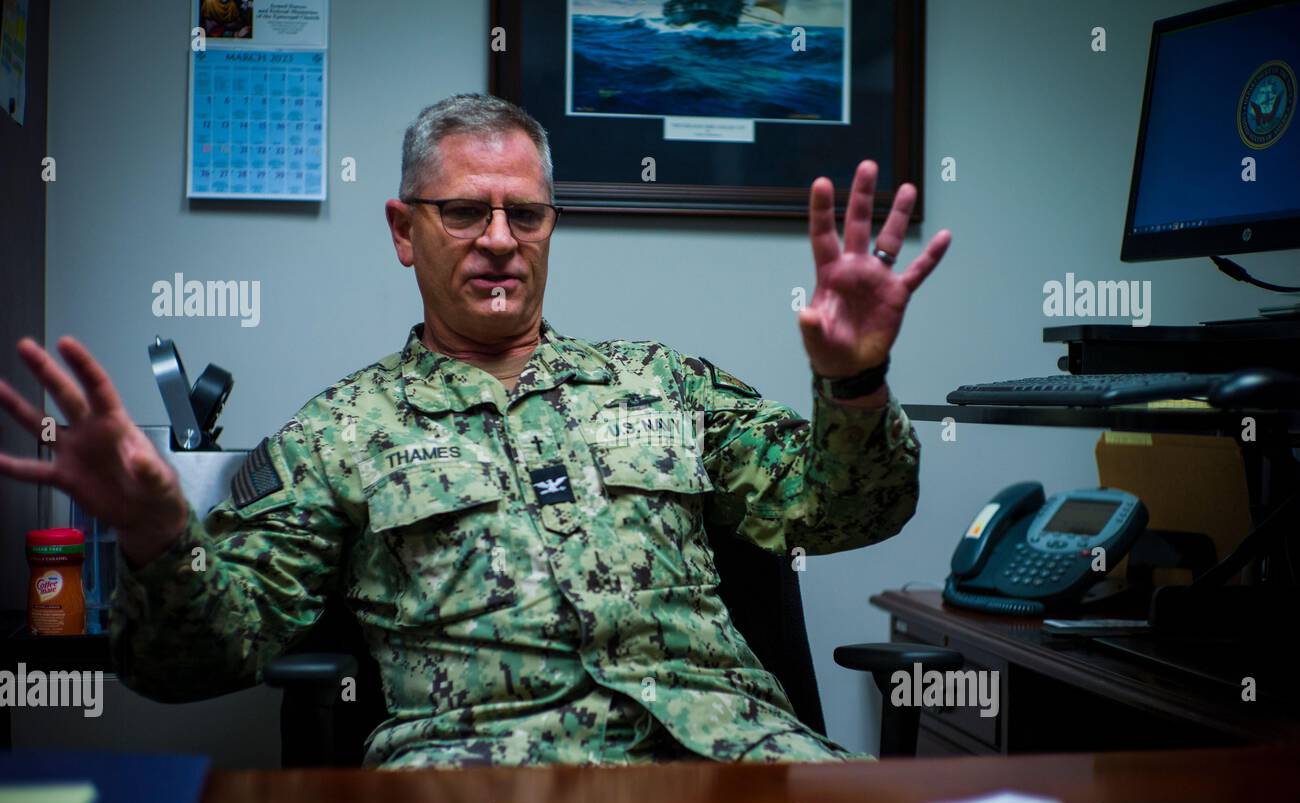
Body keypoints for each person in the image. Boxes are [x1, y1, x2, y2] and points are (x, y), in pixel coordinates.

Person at [0, 93, 951, 768]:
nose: (499, 236)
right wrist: (158, 537)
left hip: (742, 770)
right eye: (464, 211)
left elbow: (845, 511)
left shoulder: (667, 383)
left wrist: (853, 380)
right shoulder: (340, 434)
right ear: (403, 229)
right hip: (481, 800)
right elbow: (194, 659)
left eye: (525, 213)